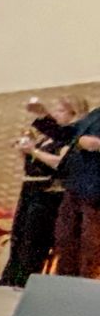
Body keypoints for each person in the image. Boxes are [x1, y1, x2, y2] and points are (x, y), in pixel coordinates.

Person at [0, 97, 87, 286]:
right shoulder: (48, 137)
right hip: (30, 185)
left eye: (60, 111)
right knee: (19, 232)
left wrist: (34, 151)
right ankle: (9, 277)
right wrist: (25, 151)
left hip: (48, 190)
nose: (55, 115)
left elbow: (59, 164)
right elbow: (33, 161)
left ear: (74, 113)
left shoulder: (71, 137)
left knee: (34, 236)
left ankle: (24, 279)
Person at [54, 103, 100, 278]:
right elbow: (70, 133)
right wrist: (44, 118)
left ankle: (84, 283)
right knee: (65, 236)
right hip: (76, 183)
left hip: (96, 189)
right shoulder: (96, 113)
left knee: (90, 241)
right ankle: (64, 280)